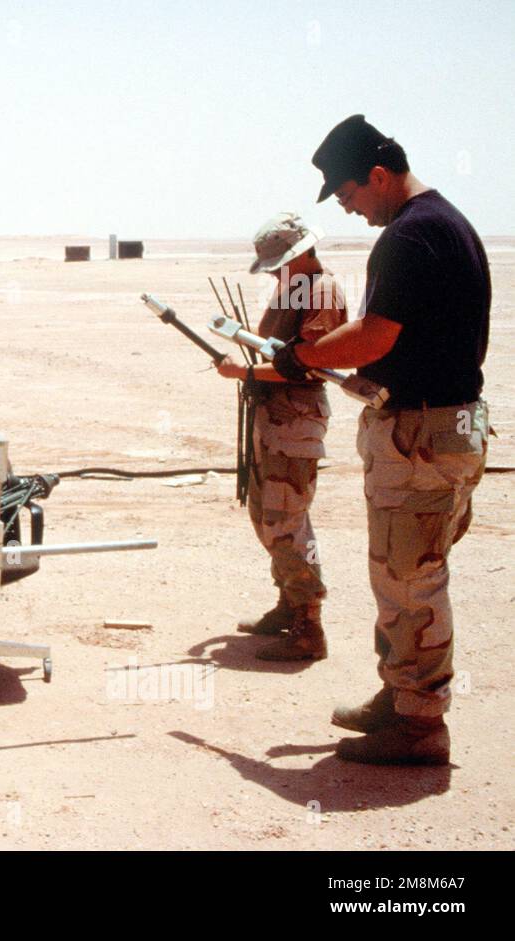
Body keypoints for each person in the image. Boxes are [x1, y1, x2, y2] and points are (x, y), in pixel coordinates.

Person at [269, 115, 490, 764]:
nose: (350, 209)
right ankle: (401, 696)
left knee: (410, 578)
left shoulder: (409, 236)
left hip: (424, 432)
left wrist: (304, 355)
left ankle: (420, 724)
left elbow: (375, 336)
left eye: (349, 195)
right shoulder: (448, 225)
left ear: (378, 175)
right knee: (409, 572)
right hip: (451, 422)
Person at [216, 212, 347, 661]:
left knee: (288, 519)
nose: (276, 272)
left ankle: (310, 623)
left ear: (304, 252)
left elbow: (313, 363)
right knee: (266, 515)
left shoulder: (323, 289)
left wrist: (246, 370)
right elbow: (277, 349)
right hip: (272, 416)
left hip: (296, 419)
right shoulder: (291, 286)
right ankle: (289, 604)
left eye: (280, 264)